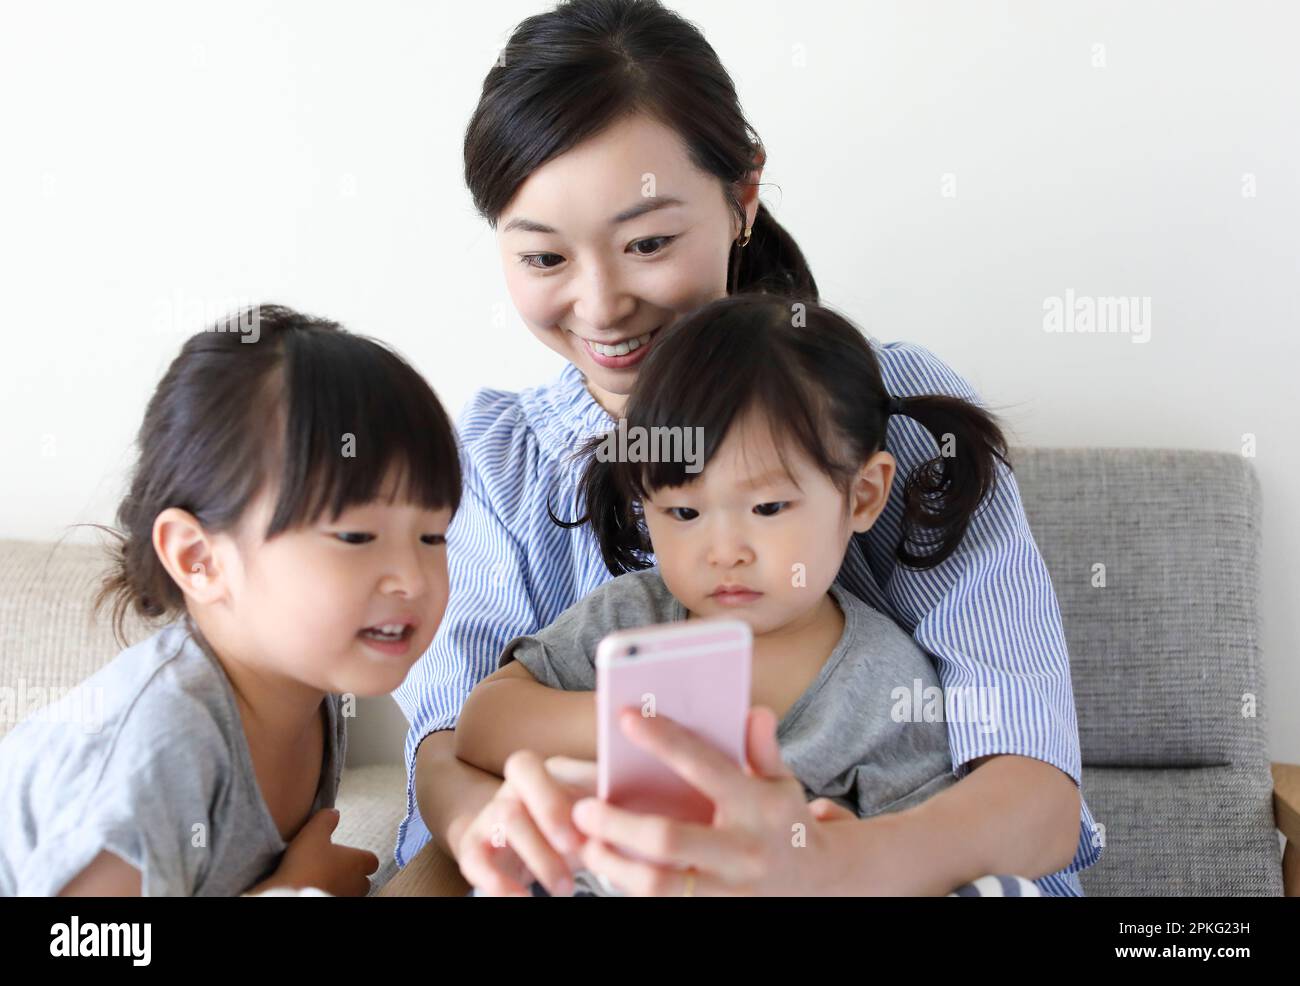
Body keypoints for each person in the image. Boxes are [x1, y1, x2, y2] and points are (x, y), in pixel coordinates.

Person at [396, 0, 1099, 895]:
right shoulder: (502, 456)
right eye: (543, 259)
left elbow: (1034, 795)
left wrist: (821, 862)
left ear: (742, 199)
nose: (603, 304)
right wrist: (509, 806)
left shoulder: (890, 416)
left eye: (648, 242)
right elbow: (450, 745)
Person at [455, 294, 1045, 897]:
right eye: (683, 511)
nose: (724, 551)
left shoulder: (883, 679)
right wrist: (636, 724)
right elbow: (480, 724)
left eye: (767, 508)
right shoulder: (629, 617)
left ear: (863, 496)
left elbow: (918, 854)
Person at [0, 305, 461, 896]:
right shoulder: (160, 746)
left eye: (433, 535)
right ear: (200, 558)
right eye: (356, 536)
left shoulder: (308, 690)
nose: (413, 579)